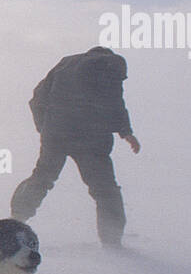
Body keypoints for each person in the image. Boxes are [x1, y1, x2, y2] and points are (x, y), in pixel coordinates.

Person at [9, 46, 140, 247]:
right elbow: (115, 100)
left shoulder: (65, 63)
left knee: (42, 178)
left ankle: (17, 218)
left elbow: (36, 98)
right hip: (91, 140)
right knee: (105, 190)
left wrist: (44, 127)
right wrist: (126, 132)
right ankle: (112, 241)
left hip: (56, 135)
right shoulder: (112, 64)